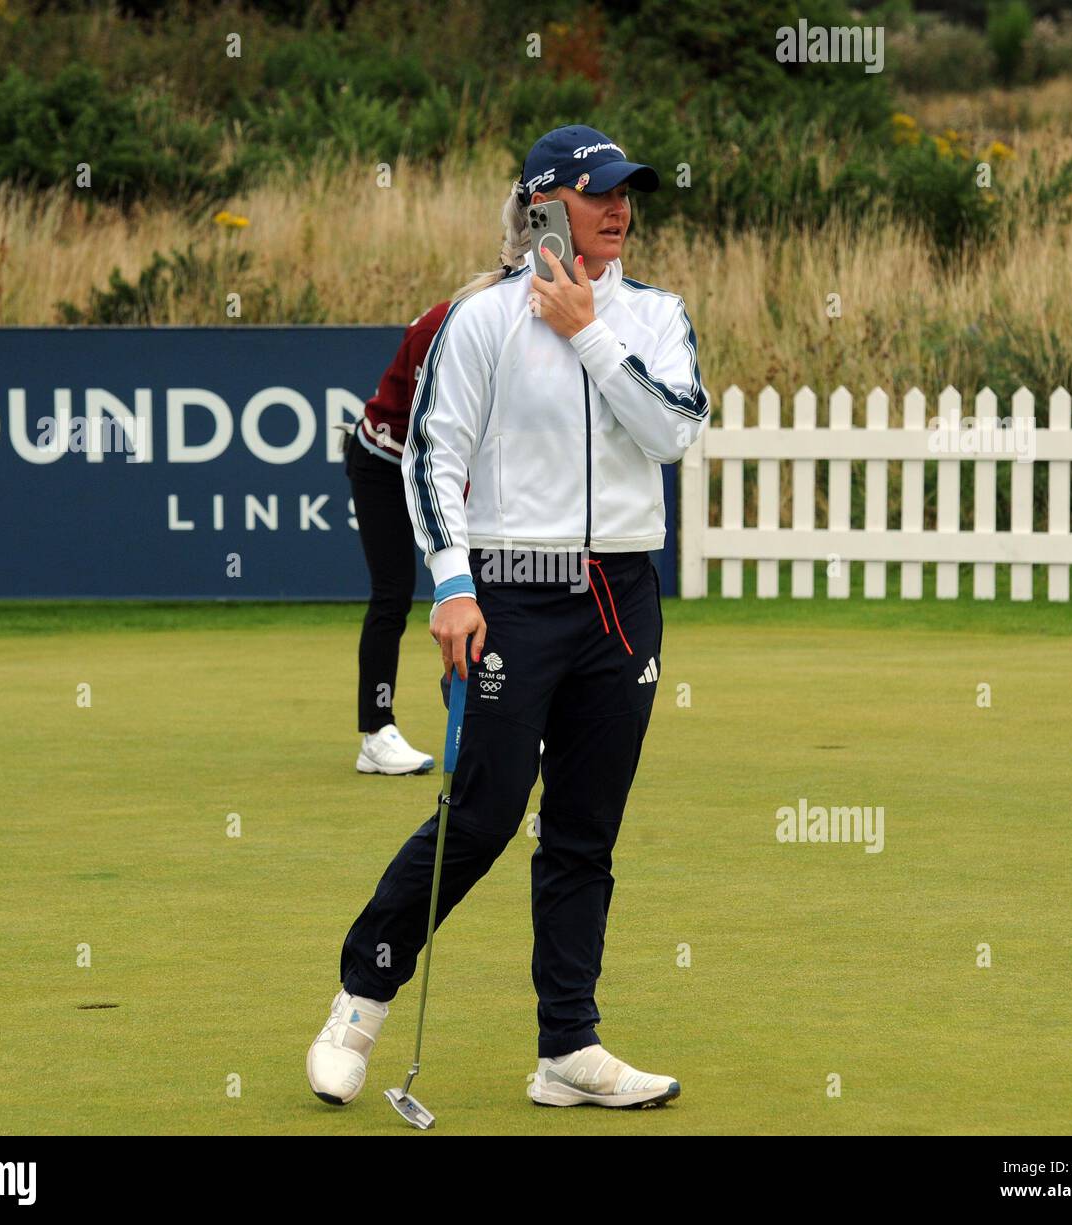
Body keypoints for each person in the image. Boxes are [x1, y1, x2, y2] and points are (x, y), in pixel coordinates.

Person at [308, 125, 708, 1109]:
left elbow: (671, 431)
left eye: (627, 193)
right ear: (542, 207)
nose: (618, 209)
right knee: (481, 815)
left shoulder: (655, 316)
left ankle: (567, 1047)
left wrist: (588, 333)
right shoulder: (479, 318)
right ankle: (358, 1003)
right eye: (595, 192)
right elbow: (431, 459)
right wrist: (451, 585)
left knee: (584, 829)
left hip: (620, 594)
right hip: (511, 592)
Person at [345, 301, 450, 775]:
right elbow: (435, 432)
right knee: (392, 595)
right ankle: (376, 734)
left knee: (490, 589)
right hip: (383, 462)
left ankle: (501, 724)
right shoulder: (440, 329)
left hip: (441, 464)